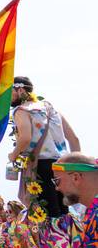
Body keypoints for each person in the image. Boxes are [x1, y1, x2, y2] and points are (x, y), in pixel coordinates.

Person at [7, 77, 81, 221]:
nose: (8, 98)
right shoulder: (50, 108)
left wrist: (13, 155)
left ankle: (55, 243)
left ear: (20, 90)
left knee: (48, 215)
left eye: (10, 92)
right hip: (62, 165)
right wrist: (76, 166)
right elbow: (74, 139)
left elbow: (25, 138)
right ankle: (69, 241)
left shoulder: (21, 110)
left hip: (42, 165)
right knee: (64, 213)